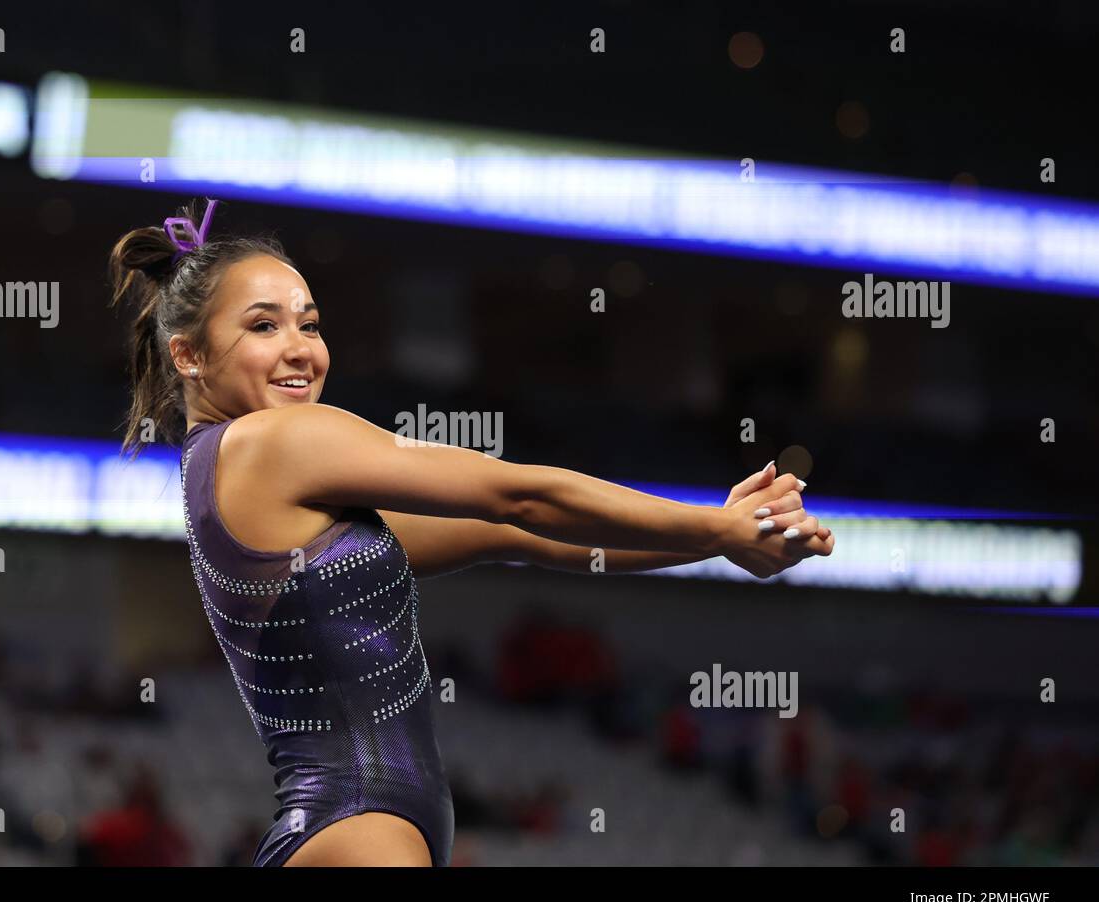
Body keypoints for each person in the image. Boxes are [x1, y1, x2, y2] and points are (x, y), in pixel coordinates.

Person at [109, 198, 835, 867]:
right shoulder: (271, 443)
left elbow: (517, 535)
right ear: (189, 355)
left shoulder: (254, 482)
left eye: (311, 322)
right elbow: (516, 494)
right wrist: (716, 521)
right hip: (357, 828)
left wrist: (723, 543)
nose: (301, 348)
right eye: (263, 325)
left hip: (344, 827)